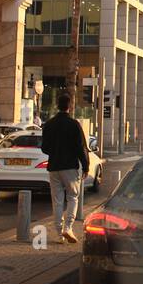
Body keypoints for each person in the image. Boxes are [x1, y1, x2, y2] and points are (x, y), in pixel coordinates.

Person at [41, 91, 89, 244]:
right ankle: (68, 227)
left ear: (57, 106)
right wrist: (86, 166)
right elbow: (81, 147)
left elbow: (44, 148)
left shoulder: (48, 125)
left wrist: (55, 151)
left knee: (57, 200)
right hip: (69, 167)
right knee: (73, 197)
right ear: (70, 106)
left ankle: (58, 234)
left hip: (53, 167)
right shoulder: (74, 125)